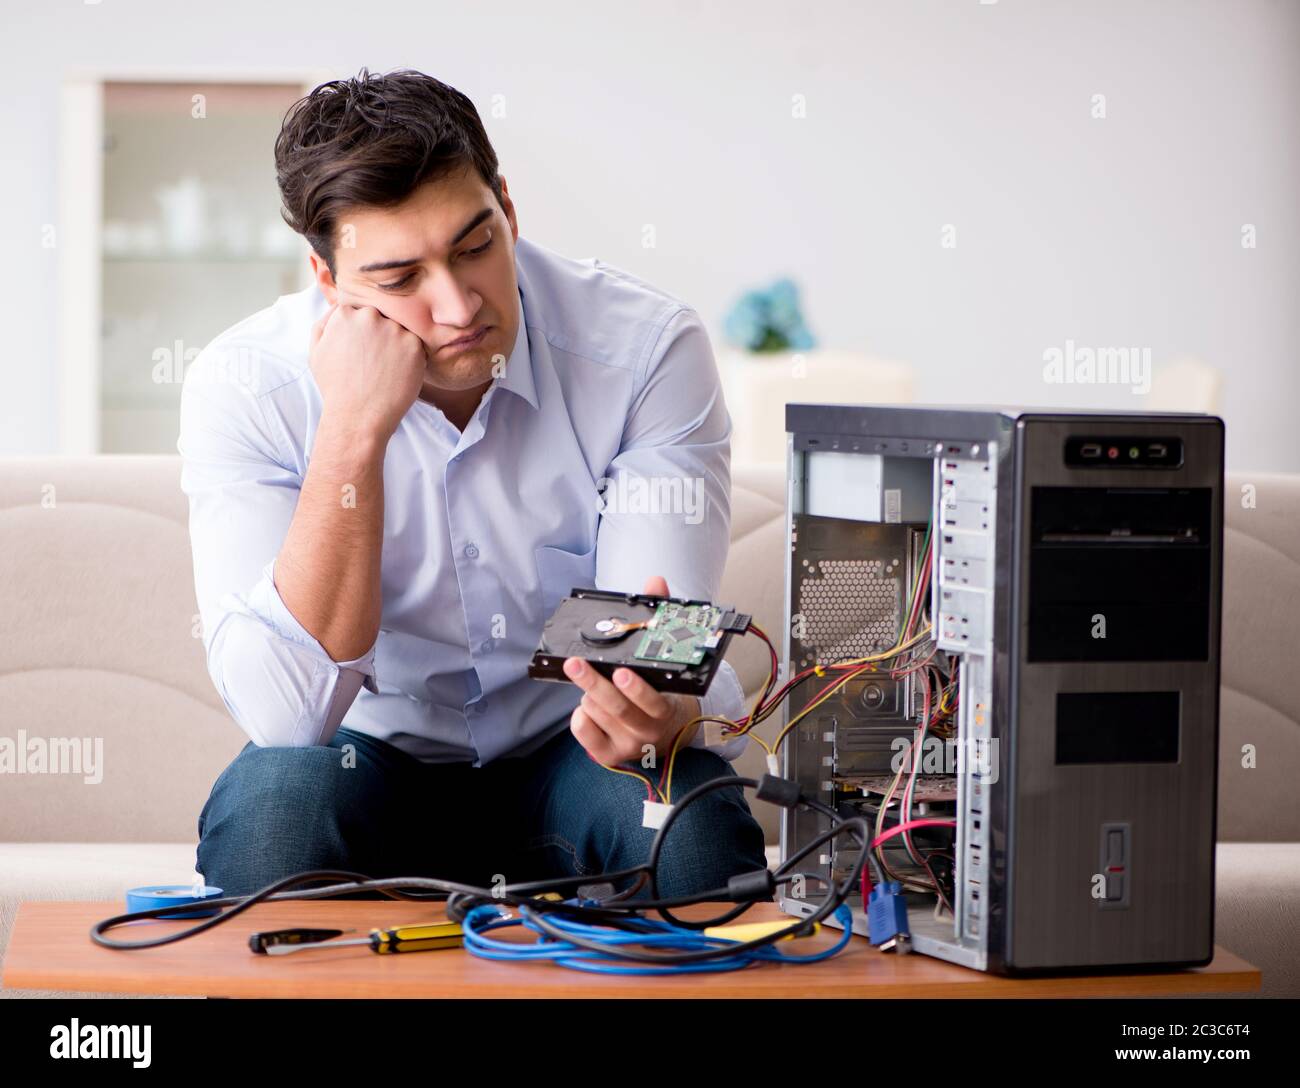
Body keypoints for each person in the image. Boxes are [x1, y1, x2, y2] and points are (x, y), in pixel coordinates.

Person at [179, 68, 768, 901]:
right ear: (328, 280)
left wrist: (658, 712)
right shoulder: (247, 385)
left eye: (474, 246)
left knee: (696, 836)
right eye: (398, 279)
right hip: (366, 758)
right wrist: (352, 433)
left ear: (507, 207)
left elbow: (653, 647)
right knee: (275, 813)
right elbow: (288, 718)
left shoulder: (643, 349)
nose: (457, 306)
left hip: (570, 752)